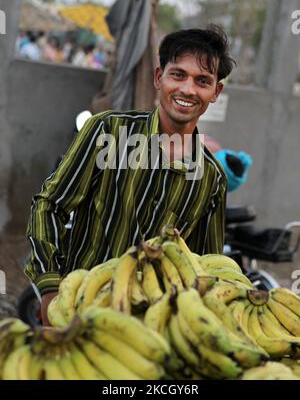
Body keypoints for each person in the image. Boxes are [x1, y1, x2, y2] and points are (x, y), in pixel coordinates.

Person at [24, 25, 235, 325]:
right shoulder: (107, 132)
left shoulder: (211, 179)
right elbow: (49, 205)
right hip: (78, 313)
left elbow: (205, 267)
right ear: (158, 77)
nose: (188, 89)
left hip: (148, 333)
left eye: (203, 81)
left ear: (216, 92)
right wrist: (49, 289)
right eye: (178, 75)